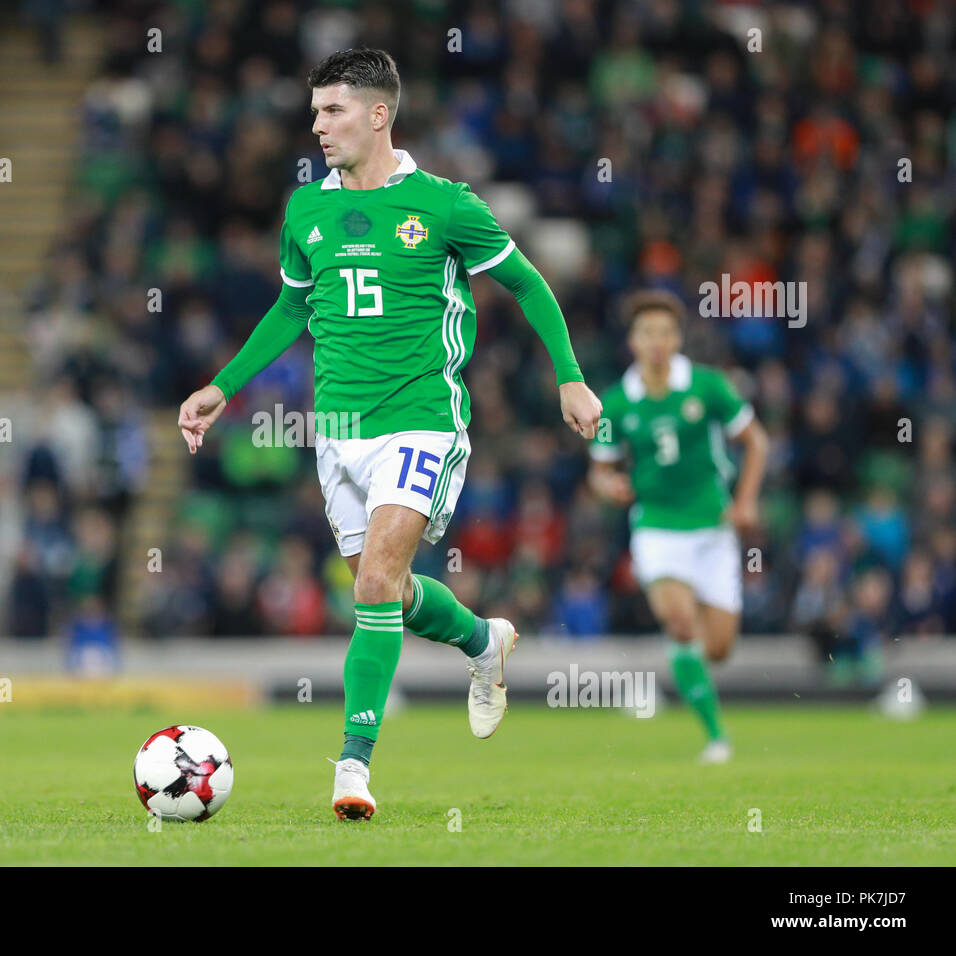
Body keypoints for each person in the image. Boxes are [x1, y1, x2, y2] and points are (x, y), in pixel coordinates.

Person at [178, 48, 601, 820]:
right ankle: (482, 641)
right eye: (314, 112)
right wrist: (221, 386)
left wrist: (569, 375)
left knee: (373, 585)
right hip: (335, 429)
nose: (318, 126)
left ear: (379, 114)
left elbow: (528, 282)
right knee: (391, 595)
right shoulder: (306, 210)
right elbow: (290, 310)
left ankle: (352, 768)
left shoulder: (444, 205)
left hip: (421, 419)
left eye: (332, 111)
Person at [588, 290, 769, 764]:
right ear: (632, 340)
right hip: (657, 525)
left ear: (678, 338)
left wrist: (746, 500)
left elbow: (756, 442)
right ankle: (716, 737)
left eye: (665, 332)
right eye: (647, 332)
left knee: (720, 647)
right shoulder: (614, 402)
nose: (657, 341)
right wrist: (609, 485)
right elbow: (600, 468)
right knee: (680, 619)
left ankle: (685, 669)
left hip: (712, 526)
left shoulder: (707, 386)